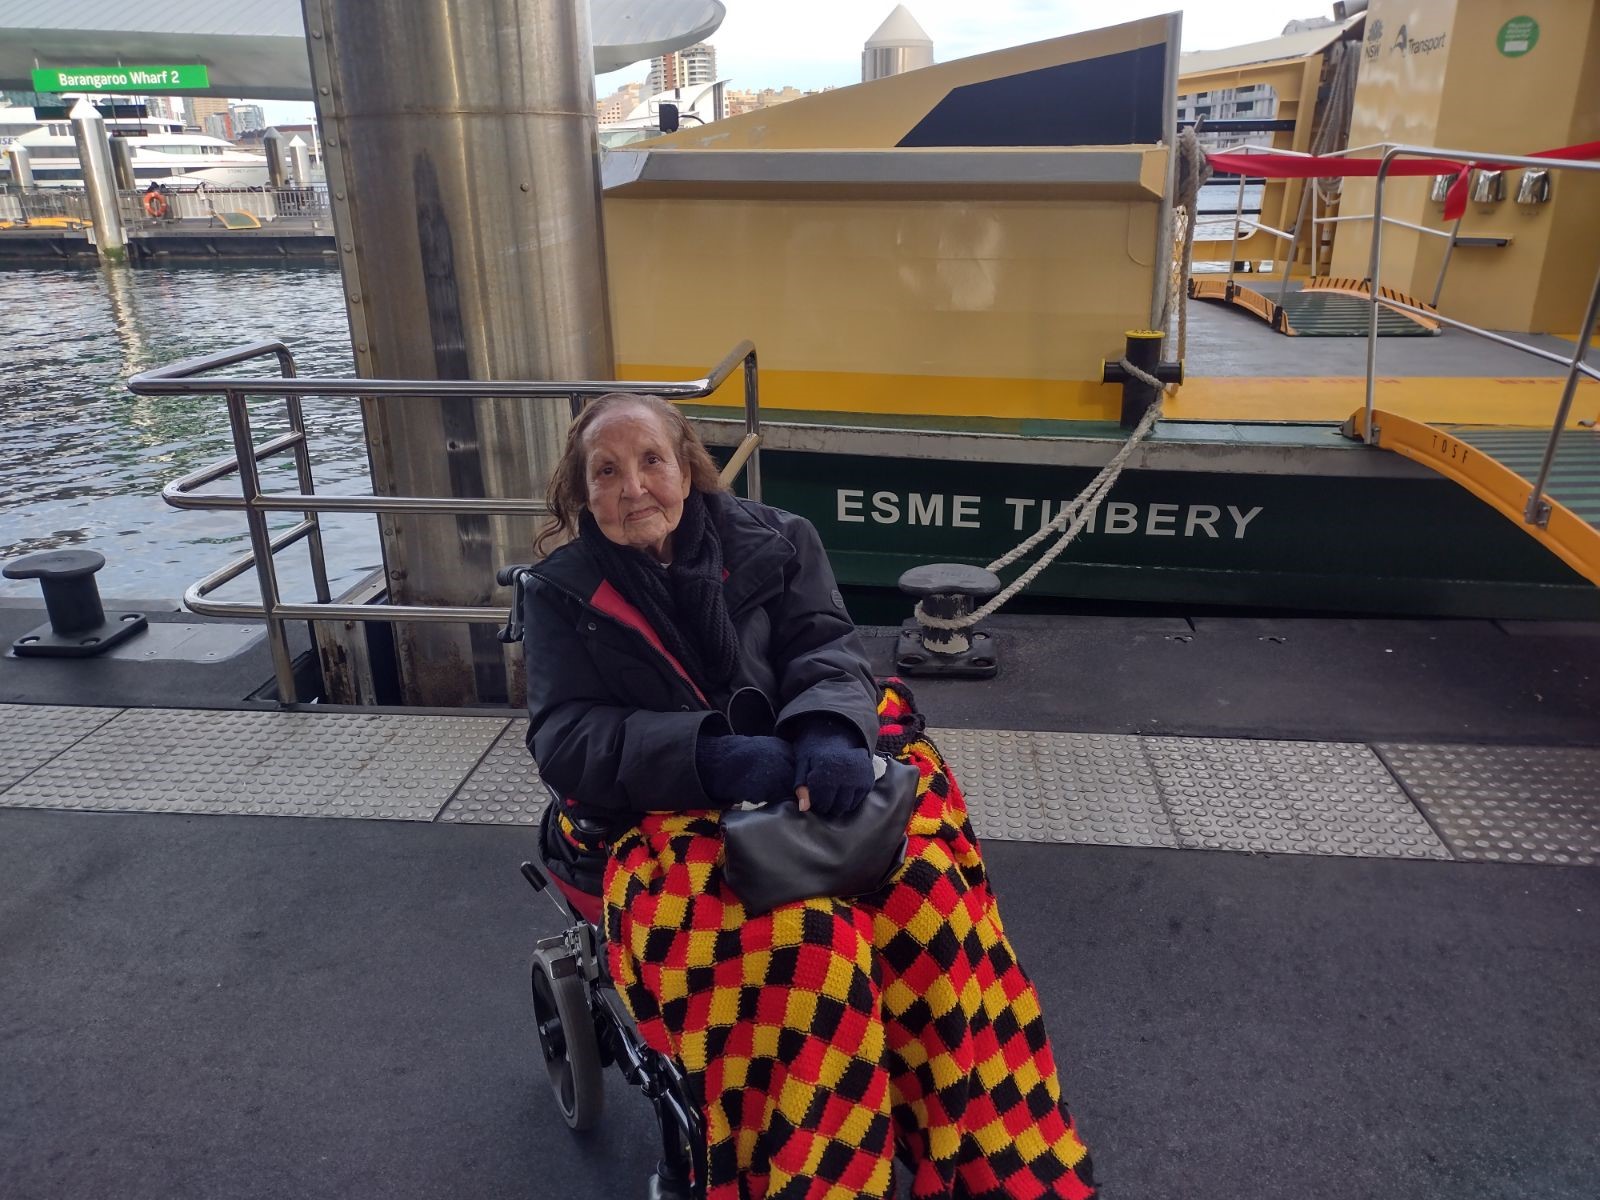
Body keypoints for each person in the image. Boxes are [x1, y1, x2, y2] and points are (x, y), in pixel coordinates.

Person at [520, 391, 1097, 1199]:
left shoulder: (781, 539)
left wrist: (827, 730)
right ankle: (807, 1175)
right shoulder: (559, 593)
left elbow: (825, 648)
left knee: (933, 913)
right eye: (606, 472)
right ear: (583, 494)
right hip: (670, 815)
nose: (634, 487)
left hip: (799, 769)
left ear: (686, 466)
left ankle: (971, 1161)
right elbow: (565, 738)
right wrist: (710, 758)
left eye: (651, 460)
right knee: (809, 951)